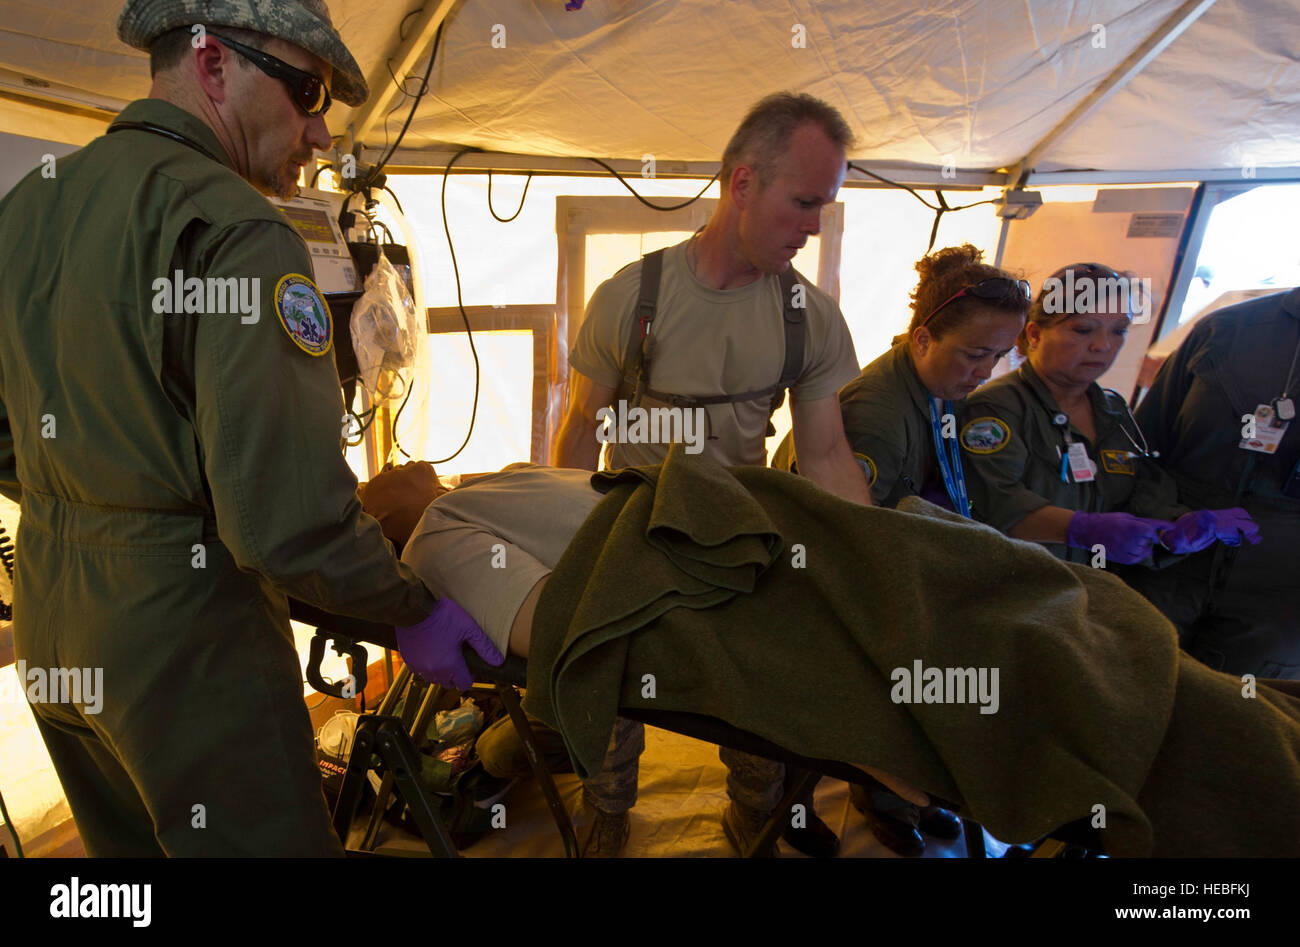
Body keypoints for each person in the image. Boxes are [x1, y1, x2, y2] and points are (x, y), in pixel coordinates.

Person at [0, 0, 496, 857]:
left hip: (53, 611)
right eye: (306, 91)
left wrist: (90, 500)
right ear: (211, 61)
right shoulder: (239, 229)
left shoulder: (29, 210)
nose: (320, 133)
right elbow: (284, 516)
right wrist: (407, 610)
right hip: (186, 643)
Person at [373, 455, 1300, 858]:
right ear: (388, 518)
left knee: (1000, 599)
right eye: (389, 480)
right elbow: (571, 621)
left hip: (802, 538)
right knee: (1030, 647)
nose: (408, 464)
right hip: (760, 580)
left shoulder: (486, 484)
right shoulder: (441, 530)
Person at [538, 92, 869, 857]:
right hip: (633, 527)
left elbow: (825, 455)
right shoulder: (632, 298)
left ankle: (754, 809)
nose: (816, 225)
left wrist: (863, 556)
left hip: (743, 534)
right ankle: (609, 807)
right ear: (741, 182)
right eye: (805, 202)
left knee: (763, 696)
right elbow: (582, 428)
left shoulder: (808, 317)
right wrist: (565, 551)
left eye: (827, 205)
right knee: (608, 678)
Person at [772, 244, 1029, 855]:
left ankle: (888, 797)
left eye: (998, 356)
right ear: (921, 340)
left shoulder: (933, 389)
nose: (986, 372)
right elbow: (843, 528)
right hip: (811, 574)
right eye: (974, 354)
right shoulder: (877, 411)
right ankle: (790, 805)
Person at [960, 262, 1258, 570]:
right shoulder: (995, 410)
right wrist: (1083, 529)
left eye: (1119, 331)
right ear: (1034, 334)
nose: (1103, 345)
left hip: (1088, 590)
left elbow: (1140, 490)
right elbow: (992, 506)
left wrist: (1177, 523)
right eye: (1083, 329)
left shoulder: (1113, 412)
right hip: (1012, 587)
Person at [1129, 286, 1300, 678]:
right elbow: (1143, 449)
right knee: (1123, 694)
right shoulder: (1228, 328)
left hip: (1278, 605)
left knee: (1237, 726)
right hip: (1165, 563)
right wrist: (1162, 525)